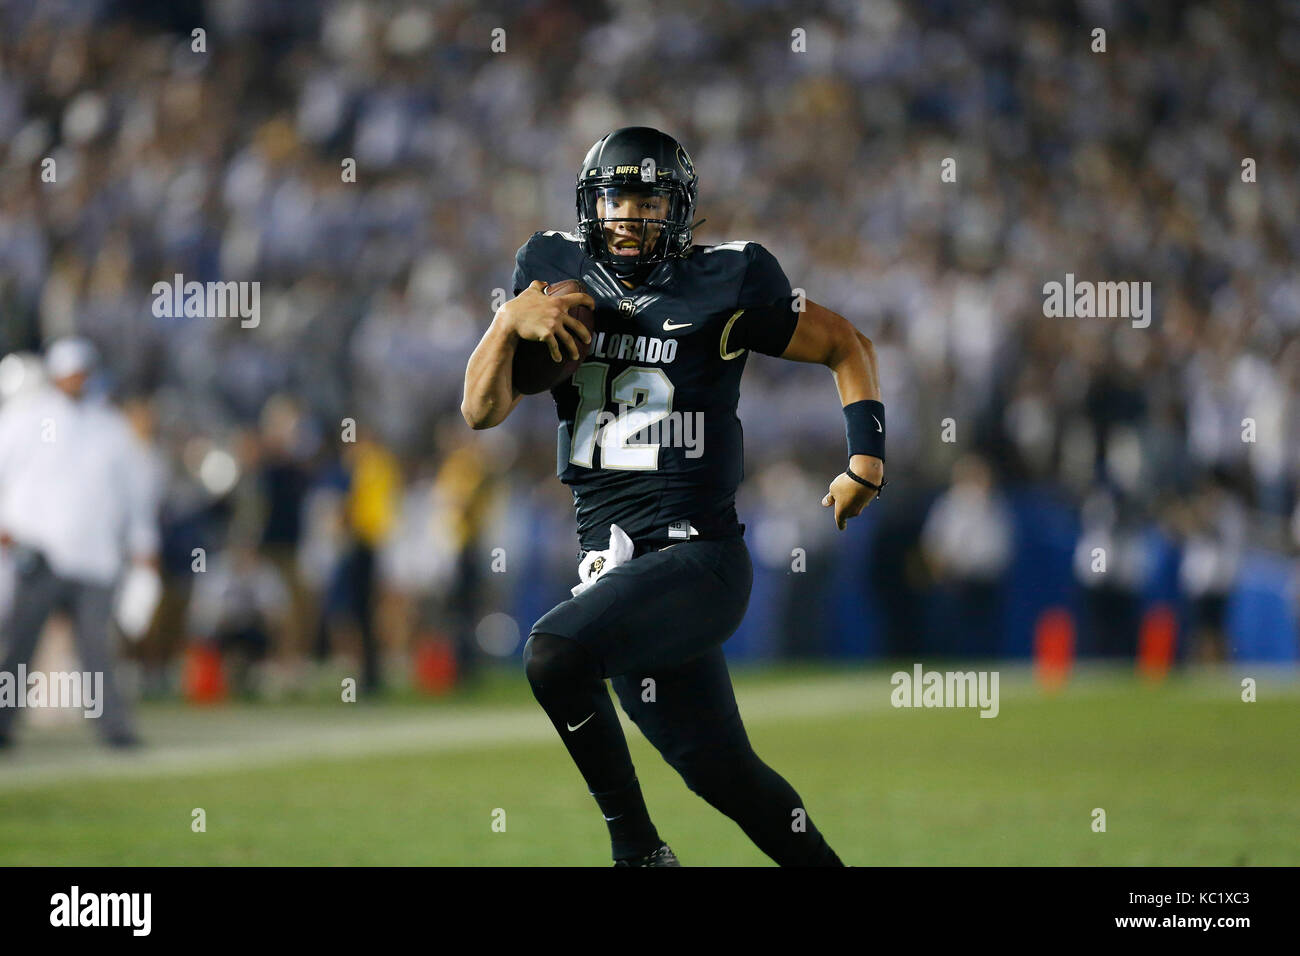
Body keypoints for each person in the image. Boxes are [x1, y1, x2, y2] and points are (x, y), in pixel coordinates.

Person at [461, 127, 886, 866]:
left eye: (646, 198)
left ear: (678, 207)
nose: (627, 214)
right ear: (590, 205)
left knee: (555, 655)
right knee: (725, 773)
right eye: (615, 197)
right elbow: (479, 411)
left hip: (700, 559)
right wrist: (505, 324)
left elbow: (846, 344)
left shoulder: (729, 277)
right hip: (616, 570)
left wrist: (866, 463)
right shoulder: (551, 271)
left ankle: (638, 853)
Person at [0, 338, 159, 749]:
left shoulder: (110, 428)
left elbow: (134, 494)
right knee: (20, 647)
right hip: (40, 552)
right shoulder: (22, 420)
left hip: (94, 556)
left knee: (96, 650)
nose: (75, 380)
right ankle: (2, 724)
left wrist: (142, 545)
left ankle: (114, 729)